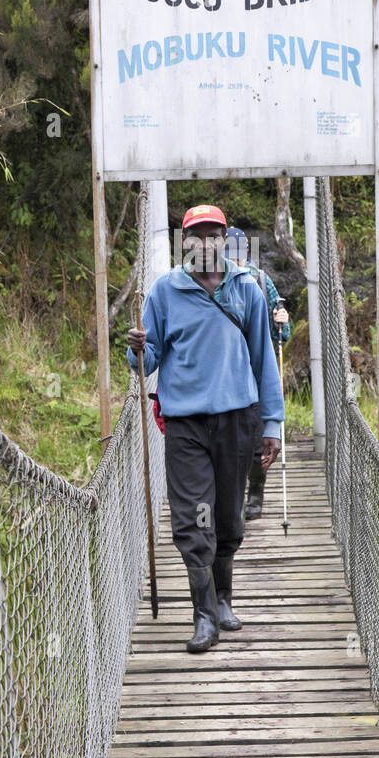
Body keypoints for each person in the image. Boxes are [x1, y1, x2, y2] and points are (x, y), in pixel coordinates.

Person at [126, 204, 284, 653]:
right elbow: (148, 359)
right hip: (185, 423)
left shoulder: (246, 290)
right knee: (194, 514)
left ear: (225, 239)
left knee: (229, 514)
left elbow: (263, 361)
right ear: (184, 241)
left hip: (238, 419)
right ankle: (203, 615)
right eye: (196, 236)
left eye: (214, 235)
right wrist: (137, 349)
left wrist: (271, 424)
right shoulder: (164, 291)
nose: (206, 243)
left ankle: (225, 597)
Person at [224, 226, 290, 521]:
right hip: (226, 371)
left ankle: (256, 496)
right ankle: (235, 497)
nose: (233, 259)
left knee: (257, 439)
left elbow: (283, 334)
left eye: (237, 253)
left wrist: (281, 320)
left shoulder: (262, 281)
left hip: (258, 370)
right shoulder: (214, 281)